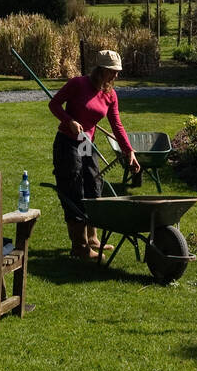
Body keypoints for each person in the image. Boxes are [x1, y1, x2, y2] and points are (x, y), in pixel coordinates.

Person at [48, 49, 141, 259]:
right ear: (100, 70)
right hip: (67, 142)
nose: (116, 75)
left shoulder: (110, 94)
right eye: (112, 71)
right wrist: (68, 121)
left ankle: (92, 238)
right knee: (73, 188)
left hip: (85, 142)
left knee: (93, 183)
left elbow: (116, 124)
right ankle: (79, 246)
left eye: (117, 71)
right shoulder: (77, 84)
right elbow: (53, 104)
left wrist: (129, 151)